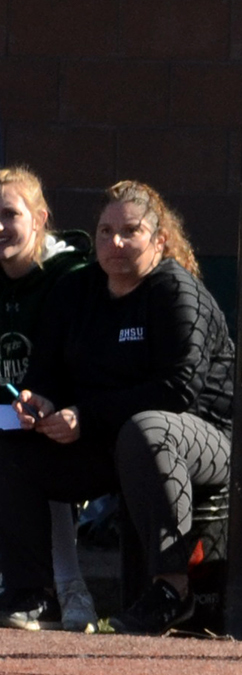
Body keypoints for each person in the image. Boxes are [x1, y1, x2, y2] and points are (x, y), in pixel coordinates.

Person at [0, 181, 233, 634]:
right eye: (106, 232)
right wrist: (39, 401)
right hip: (107, 438)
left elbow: (177, 391)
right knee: (11, 439)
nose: (116, 243)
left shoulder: (176, 293)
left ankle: (173, 589)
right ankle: (35, 594)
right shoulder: (76, 291)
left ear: (159, 239)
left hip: (202, 439)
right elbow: (47, 371)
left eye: (131, 231)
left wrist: (85, 416)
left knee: (147, 429)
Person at [0, 165, 98, 630]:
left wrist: (55, 405)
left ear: (39, 219)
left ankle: (64, 587)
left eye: (8, 214)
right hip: (7, 413)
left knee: (30, 441)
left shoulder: (71, 276)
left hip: (68, 417)